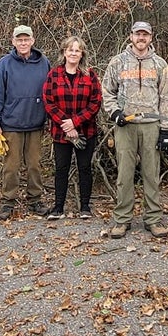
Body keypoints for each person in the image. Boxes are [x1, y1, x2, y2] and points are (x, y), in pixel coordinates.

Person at [102, 21, 168, 239]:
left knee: (151, 174)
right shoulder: (118, 62)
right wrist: (115, 113)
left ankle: (153, 218)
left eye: (145, 34)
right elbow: (107, 91)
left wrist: (166, 130)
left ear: (151, 37)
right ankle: (122, 219)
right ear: (131, 36)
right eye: (137, 34)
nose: (141, 38)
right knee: (124, 174)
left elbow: (166, 97)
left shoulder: (160, 64)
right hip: (126, 125)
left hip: (151, 125)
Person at [0, 25, 52, 220]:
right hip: (11, 125)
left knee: (34, 165)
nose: (23, 43)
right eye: (19, 39)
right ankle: (8, 202)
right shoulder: (4, 64)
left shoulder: (43, 62)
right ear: (13, 42)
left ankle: (35, 199)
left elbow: (49, 93)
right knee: (11, 167)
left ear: (33, 40)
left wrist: (49, 120)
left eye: (26, 39)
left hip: (36, 123)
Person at [42, 36, 102, 220]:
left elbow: (95, 102)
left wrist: (75, 122)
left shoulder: (89, 75)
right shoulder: (54, 75)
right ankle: (58, 207)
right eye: (70, 50)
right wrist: (66, 124)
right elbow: (48, 101)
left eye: (77, 50)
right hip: (61, 132)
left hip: (86, 130)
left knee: (84, 167)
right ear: (64, 52)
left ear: (82, 53)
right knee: (61, 168)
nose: (73, 53)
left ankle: (85, 207)